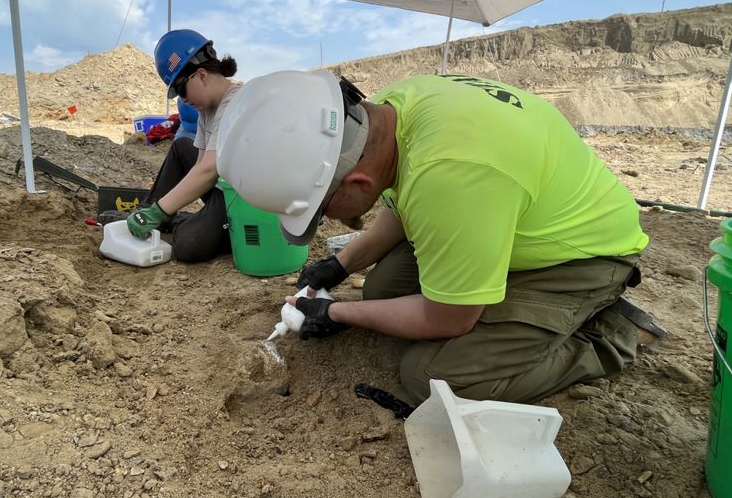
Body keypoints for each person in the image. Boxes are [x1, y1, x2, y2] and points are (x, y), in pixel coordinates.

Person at [217, 70, 658, 404]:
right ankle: (511, 306)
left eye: (322, 210)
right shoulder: (387, 112)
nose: (326, 219)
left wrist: (340, 315)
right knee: (383, 288)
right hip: (504, 213)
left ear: (355, 183)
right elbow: (401, 204)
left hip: (580, 254)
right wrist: (340, 265)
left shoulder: (450, 176)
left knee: (432, 375)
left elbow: (450, 318)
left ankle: (608, 336)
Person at [126, 29, 240, 263]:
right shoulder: (207, 110)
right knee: (180, 147)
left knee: (187, 245)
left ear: (201, 75)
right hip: (223, 185)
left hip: (240, 197)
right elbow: (198, 165)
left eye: (180, 89)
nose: (182, 99)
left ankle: (172, 219)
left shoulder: (235, 103)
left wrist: (162, 210)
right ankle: (147, 214)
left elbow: (208, 171)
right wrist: (158, 208)